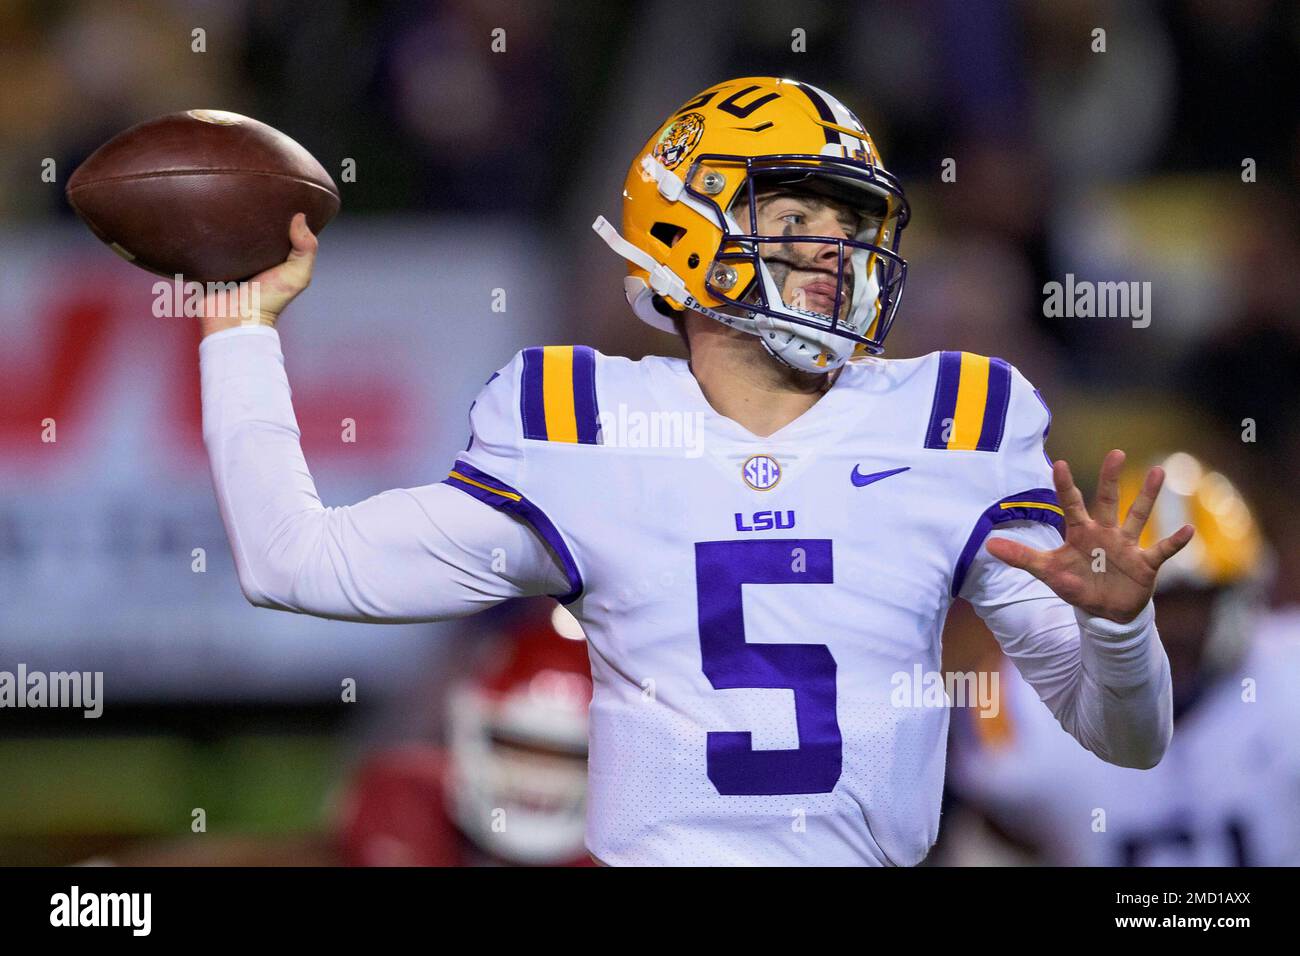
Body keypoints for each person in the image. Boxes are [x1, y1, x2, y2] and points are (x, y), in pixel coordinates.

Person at [198, 77, 1192, 865]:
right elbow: (293, 562)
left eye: (852, 223)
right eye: (803, 214)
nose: (837, 249)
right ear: (686, 223)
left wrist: (1117, 629)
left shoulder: (951, 420)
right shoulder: (578, 423)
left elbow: (1127, 736)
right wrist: (239, 332)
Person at [946, 454, 1300, 866]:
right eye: (1158, 603)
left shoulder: (1286, 676)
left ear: (1241, 597)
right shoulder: (1028, 699)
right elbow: (994, 826)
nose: (1180, 628)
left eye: (1197, 602)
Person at [339, 605, 593, 867]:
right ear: (468, 732)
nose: (537, 777)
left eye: (565, 754)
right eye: (515, 745)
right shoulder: (407, 808)